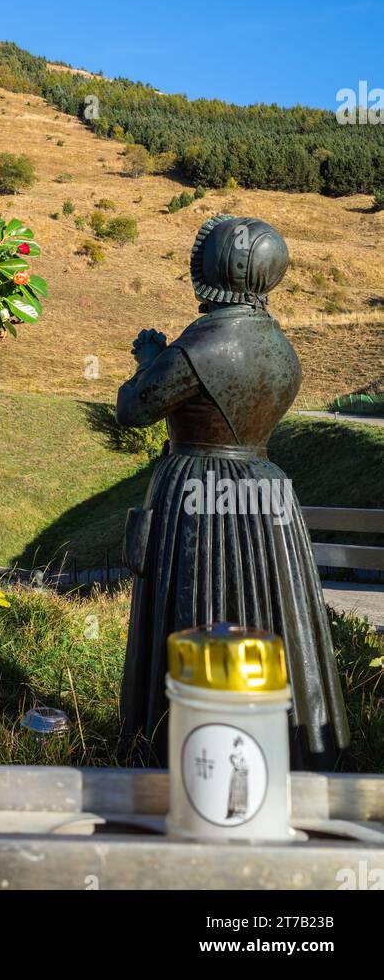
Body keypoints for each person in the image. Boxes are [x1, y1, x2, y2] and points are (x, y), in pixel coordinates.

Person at [117, 214, 349, 769]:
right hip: (267, 490)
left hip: (197, 486)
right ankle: (287, 744)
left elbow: (132, 410)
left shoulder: (200, 346)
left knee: (193, 606)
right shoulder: (282, 346)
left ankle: (186, 745)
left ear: (208, 270)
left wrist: (150, 360)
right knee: (275, 610)